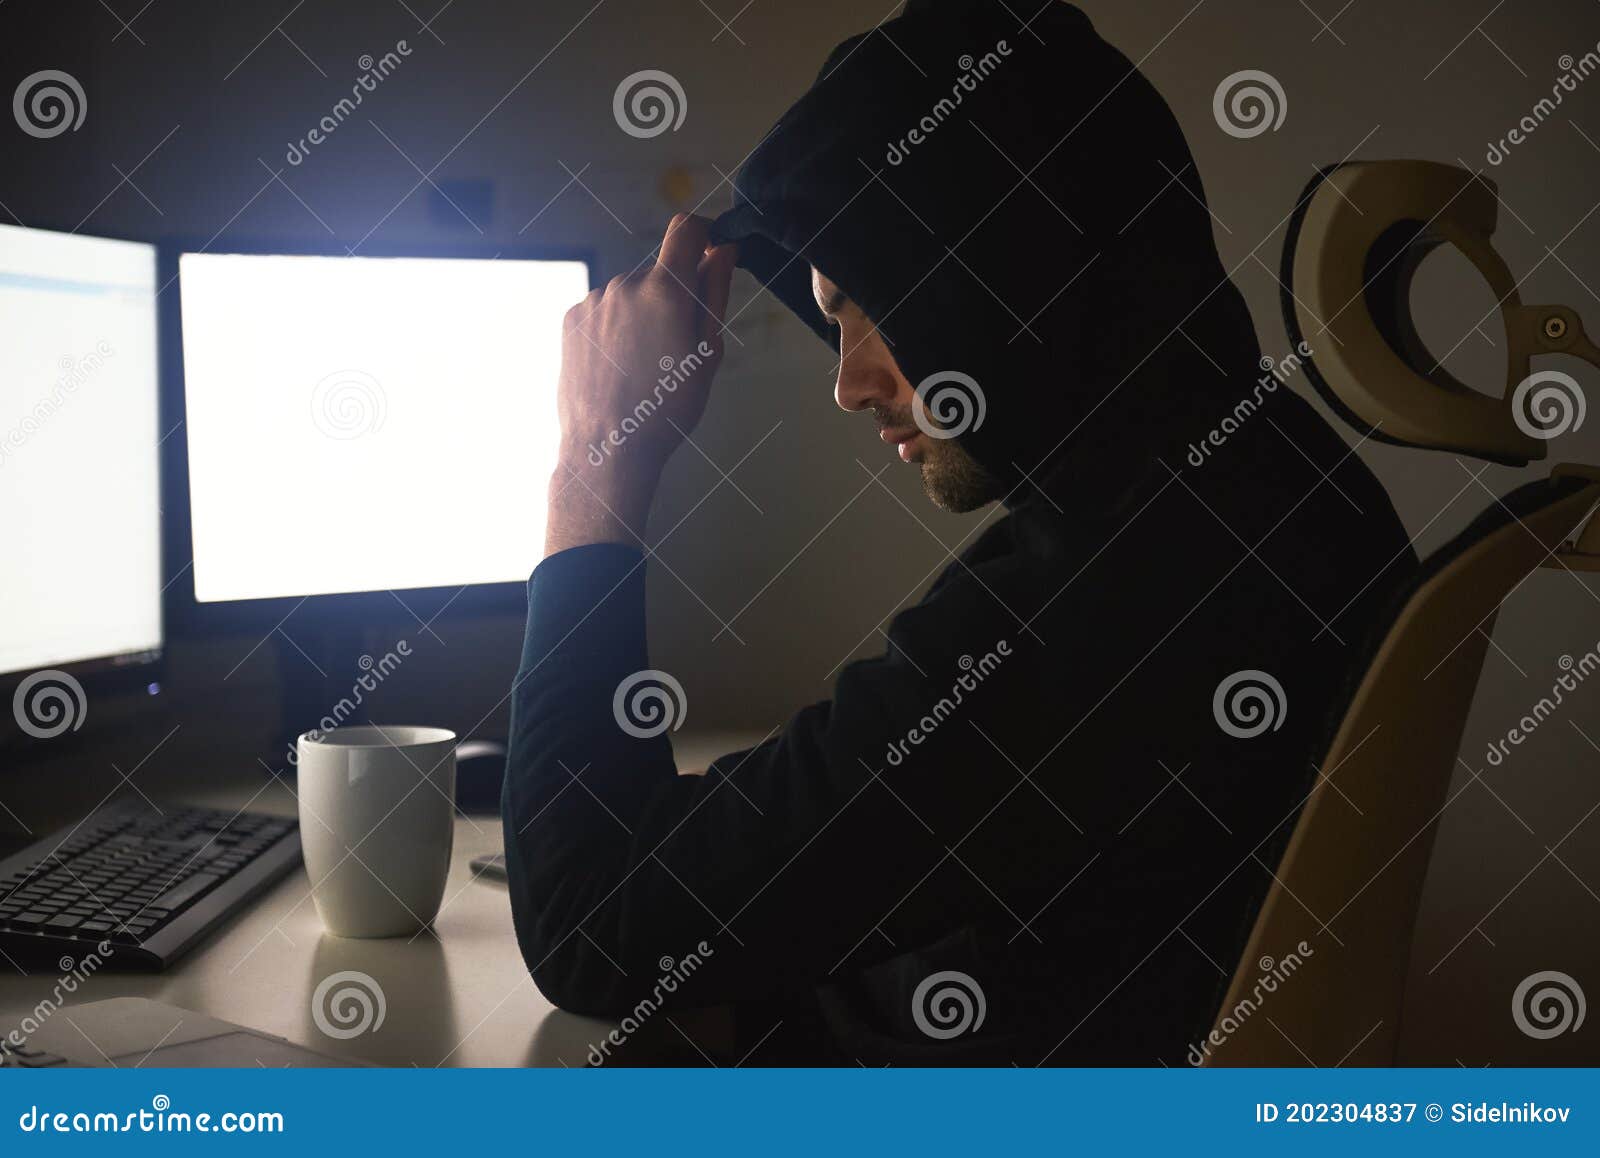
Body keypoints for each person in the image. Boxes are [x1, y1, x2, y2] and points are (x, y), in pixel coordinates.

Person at [501, 0, 1416, 1064]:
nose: (846, 383)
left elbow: (588, 928)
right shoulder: (1251, 482)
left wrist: (595, 467)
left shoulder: (1119, 592)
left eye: (861, 307)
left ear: (989, 267)